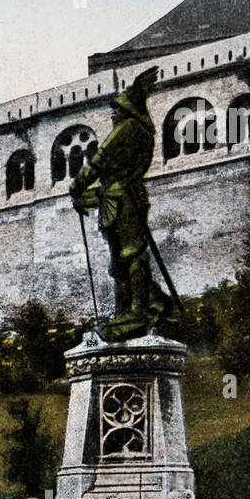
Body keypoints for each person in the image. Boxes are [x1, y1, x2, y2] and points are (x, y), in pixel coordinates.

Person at [69, 66, 175, 341]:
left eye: (117, 109)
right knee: (125, 257)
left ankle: (137, 310)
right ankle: (131, 309)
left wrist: (78, 185)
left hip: (120, 198)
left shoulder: (128, 129)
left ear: (127, 110)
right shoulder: (145, 132)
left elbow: (100, 159)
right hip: (126, 196)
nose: (113, 114)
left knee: (129, 254)